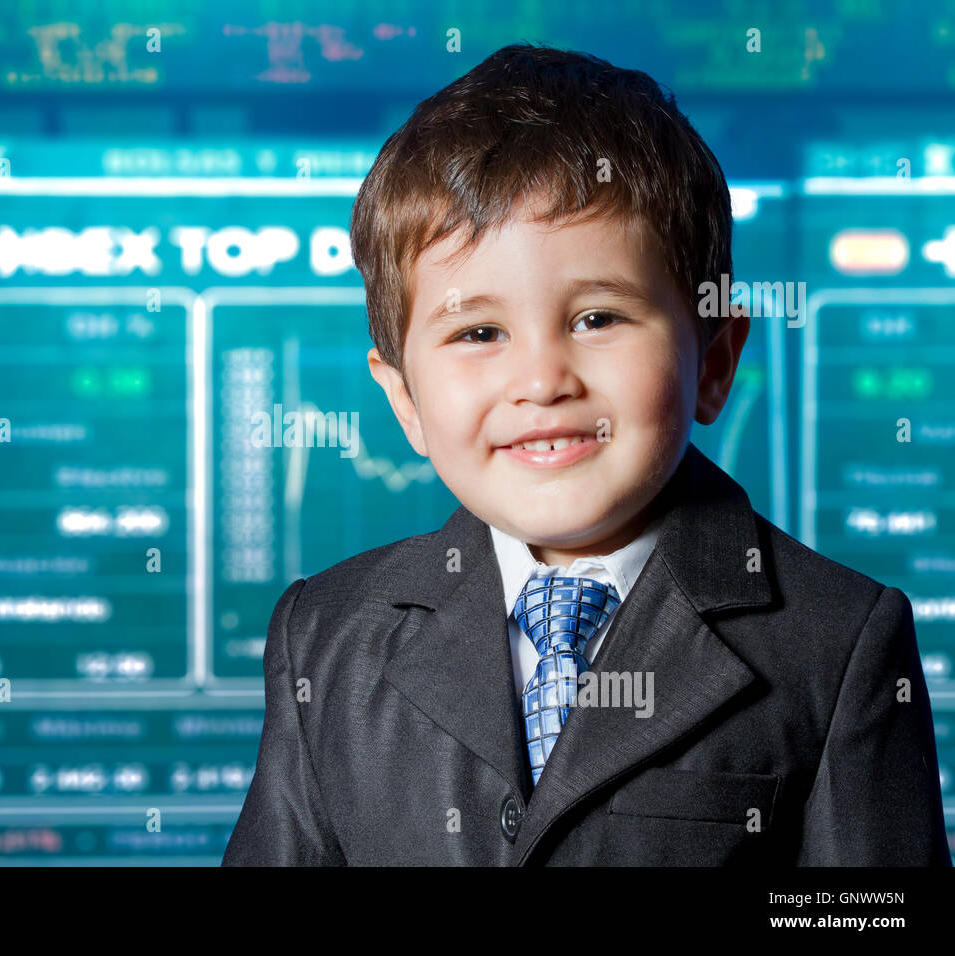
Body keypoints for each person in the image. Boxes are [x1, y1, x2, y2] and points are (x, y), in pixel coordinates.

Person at [222, 43, 950, 865]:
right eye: (478, 332)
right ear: (405, 403)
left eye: (598, 318)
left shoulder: (837, 641)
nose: (541, 380)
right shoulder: (325, 637)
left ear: (713, 362)